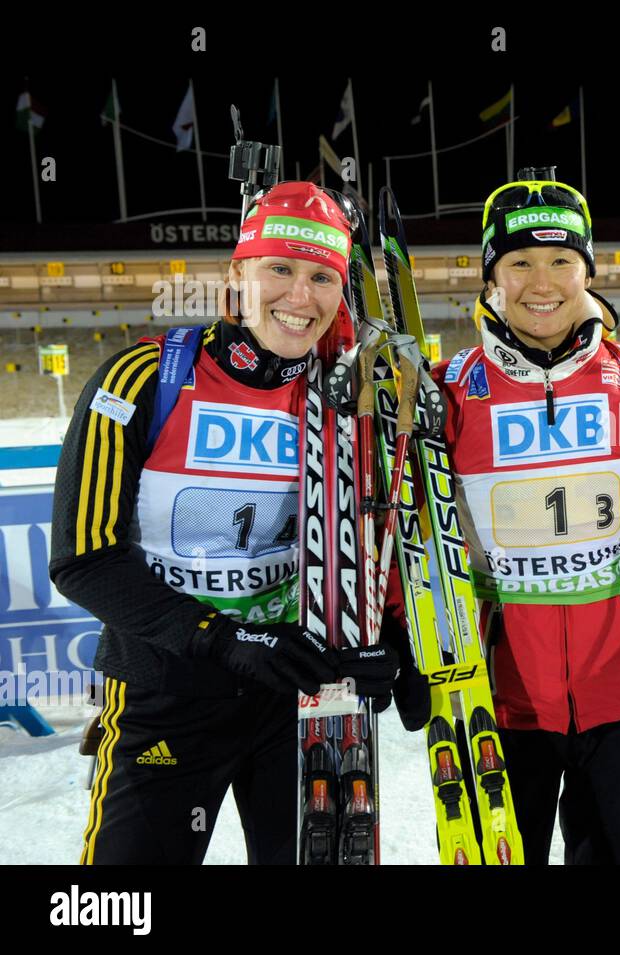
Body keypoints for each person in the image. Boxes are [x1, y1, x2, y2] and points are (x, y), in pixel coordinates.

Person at [51, 182, 398, 864]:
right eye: (281, 268)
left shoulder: (344, 399)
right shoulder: (145, 376)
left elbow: (372, 534)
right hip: (166, 689)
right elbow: (83, 557)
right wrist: (220, 636)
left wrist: (386, 647)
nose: (301, 297)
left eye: (322, 276)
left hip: (296, 705)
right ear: (238, 272)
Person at [390, 175, 620, 864]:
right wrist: (408, 647)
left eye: (561, 261)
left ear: (587, 268)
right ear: (491, 275)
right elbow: (409, 527)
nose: (541, 282)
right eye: (519, 262)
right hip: (496, 707)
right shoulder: (449, 395)